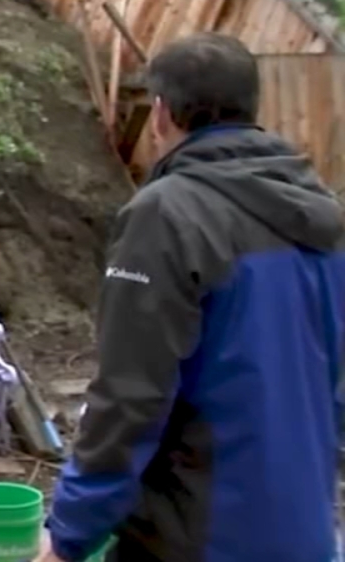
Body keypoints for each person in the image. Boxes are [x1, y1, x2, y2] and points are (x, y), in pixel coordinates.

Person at [39, 33, 345, 562]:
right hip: (306, 534)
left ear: (160, 115)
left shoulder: (166, 214)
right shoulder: (323, 216)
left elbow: (130, 397)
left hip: (196, 537)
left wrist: (70, 535)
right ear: (252, 108)